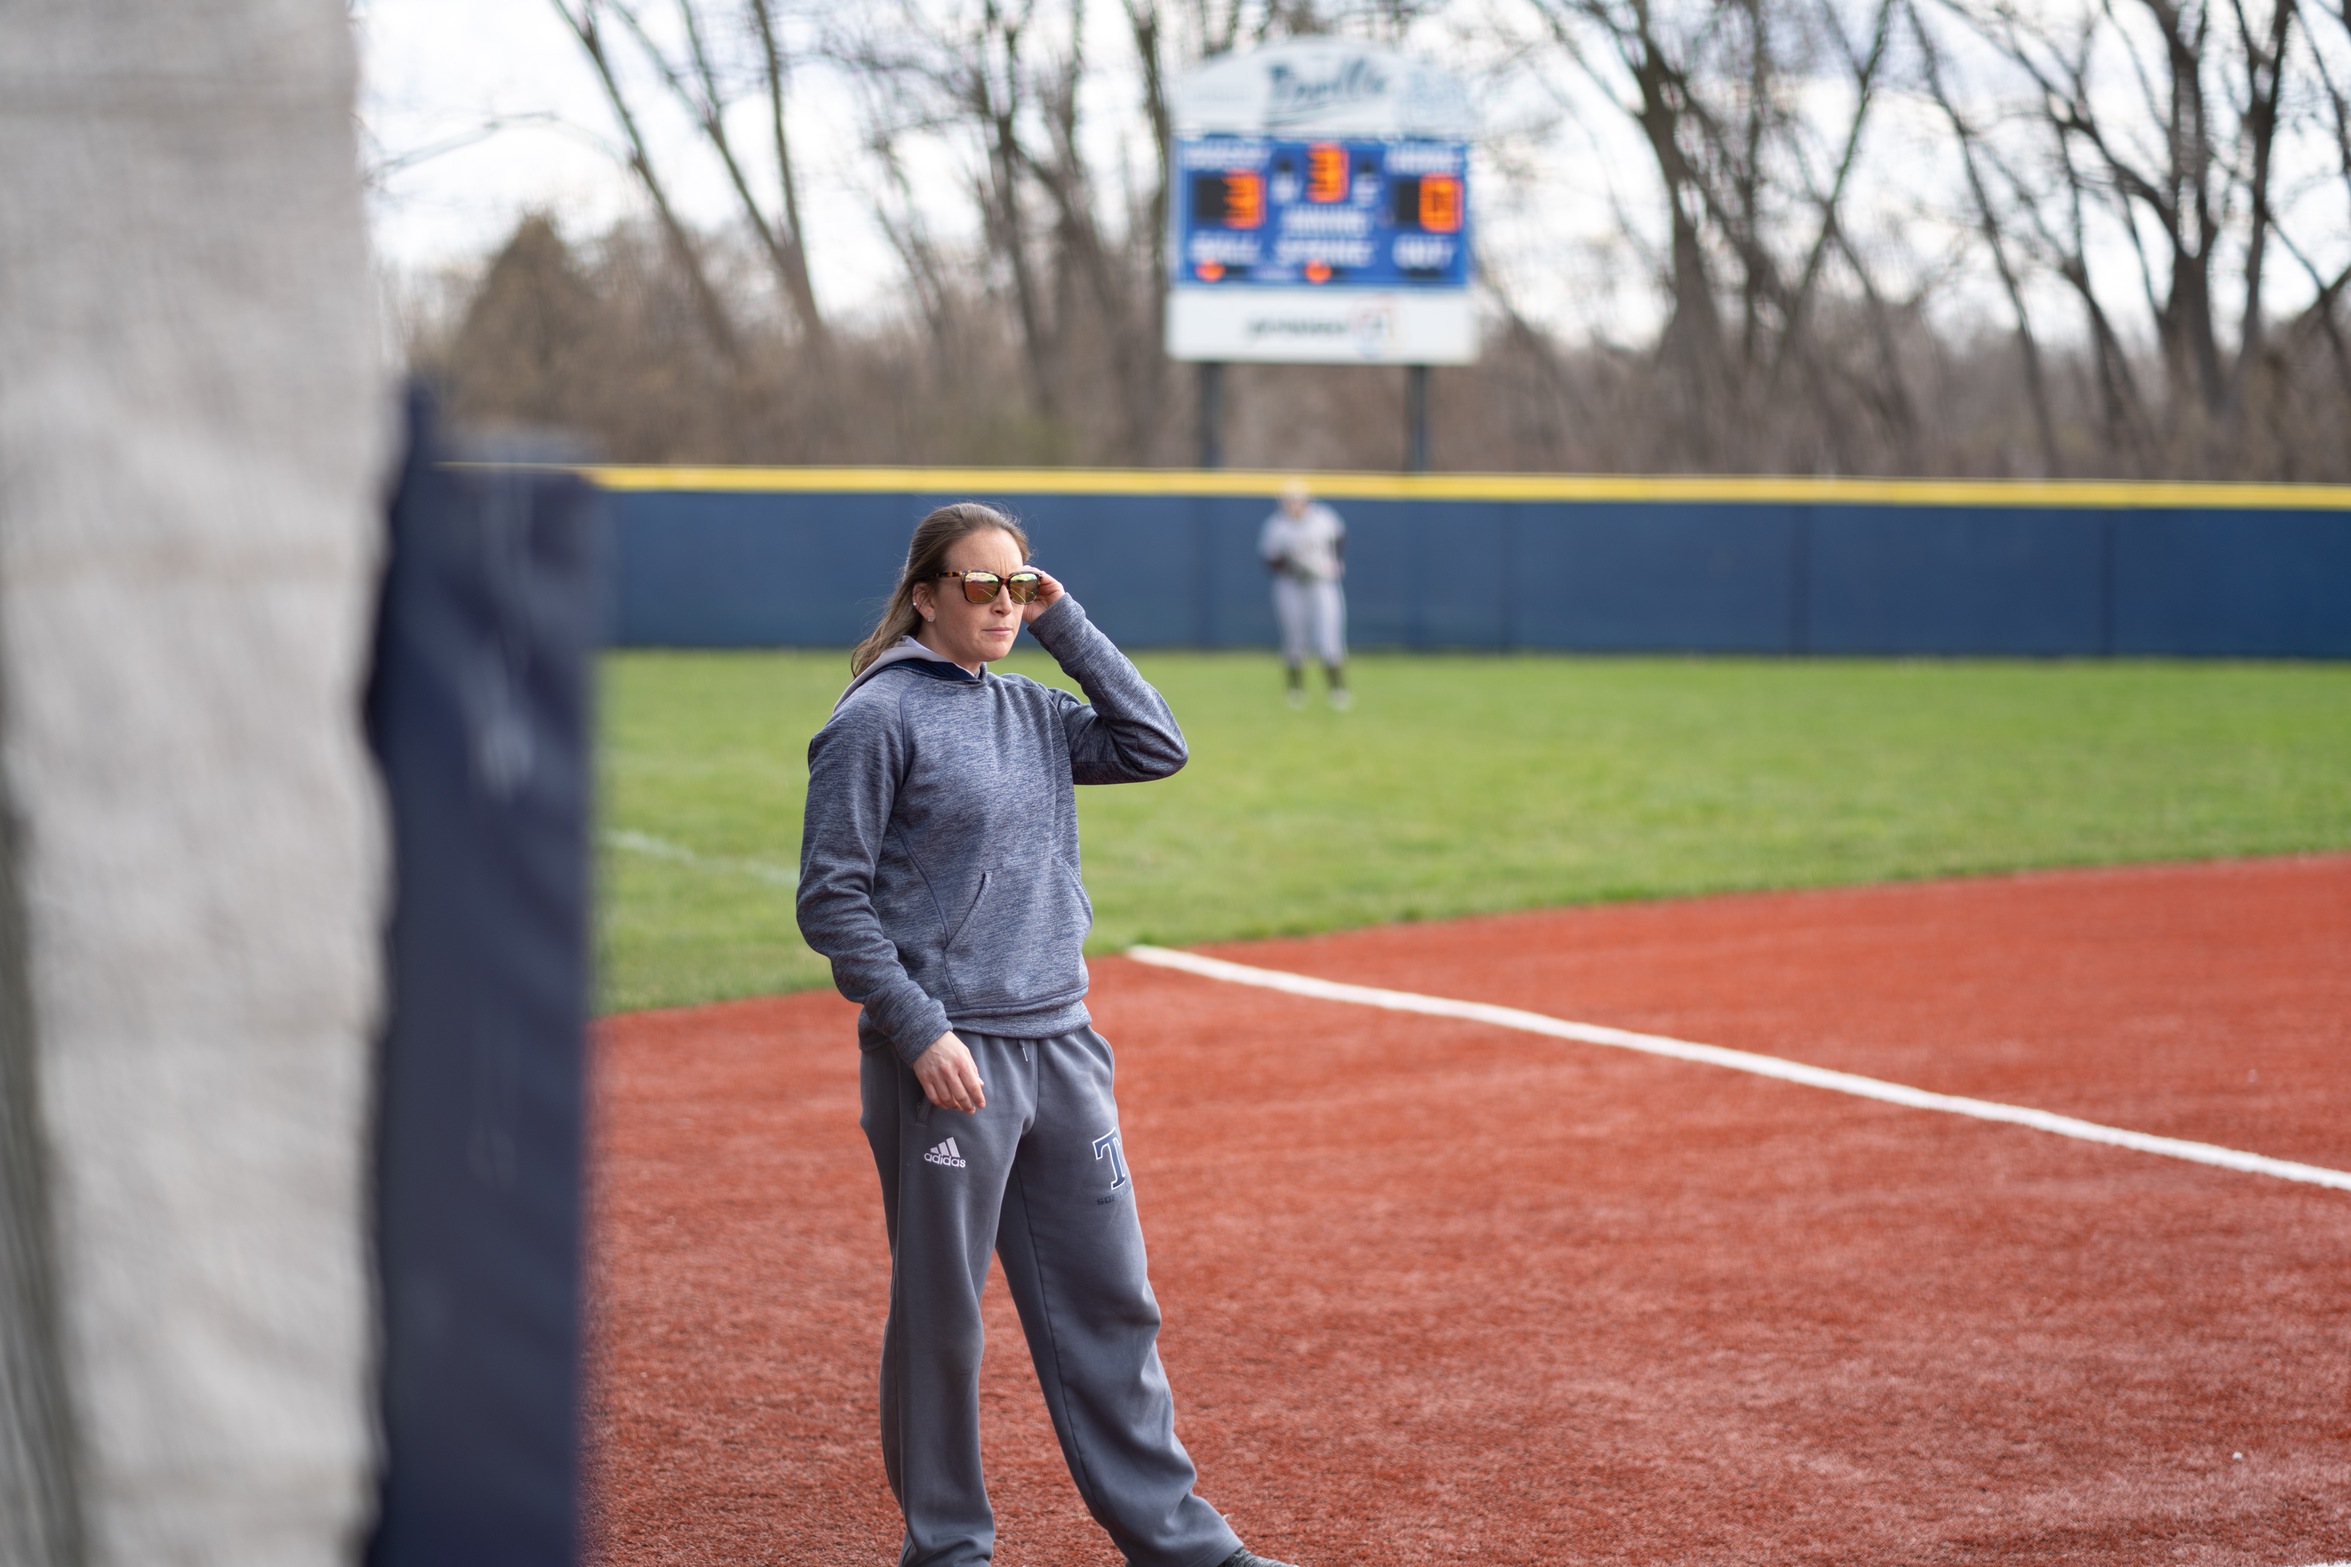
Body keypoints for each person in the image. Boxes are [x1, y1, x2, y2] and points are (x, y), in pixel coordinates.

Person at [797, 502, 1300, 1567]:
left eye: (1017, 585)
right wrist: (919, 1029)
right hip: (945, 1055)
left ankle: (1180, 1546)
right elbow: (830, 902)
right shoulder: (874, 719)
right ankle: (947, 1548)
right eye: (977, 585)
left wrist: (1066, 626)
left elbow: (1153, 743)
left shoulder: (1027, 705)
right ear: (925, 594)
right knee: (942, 1321)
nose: (1000, 604)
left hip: (1060, 1042)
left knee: (1112, 1301)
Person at [1257, 479, 1349, 708]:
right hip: (1292, 585)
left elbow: (1339, 538)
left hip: (1321, 584)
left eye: (1297, 501)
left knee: (1330, 638)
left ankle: (1338, 691)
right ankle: (1296, 692)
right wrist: (1292, 565)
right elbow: (1270, 560)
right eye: (1289, 501)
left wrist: (1334, 562)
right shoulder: (1277, 526)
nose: (1294, 506)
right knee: (1294, 639)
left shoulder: (1323, 519)